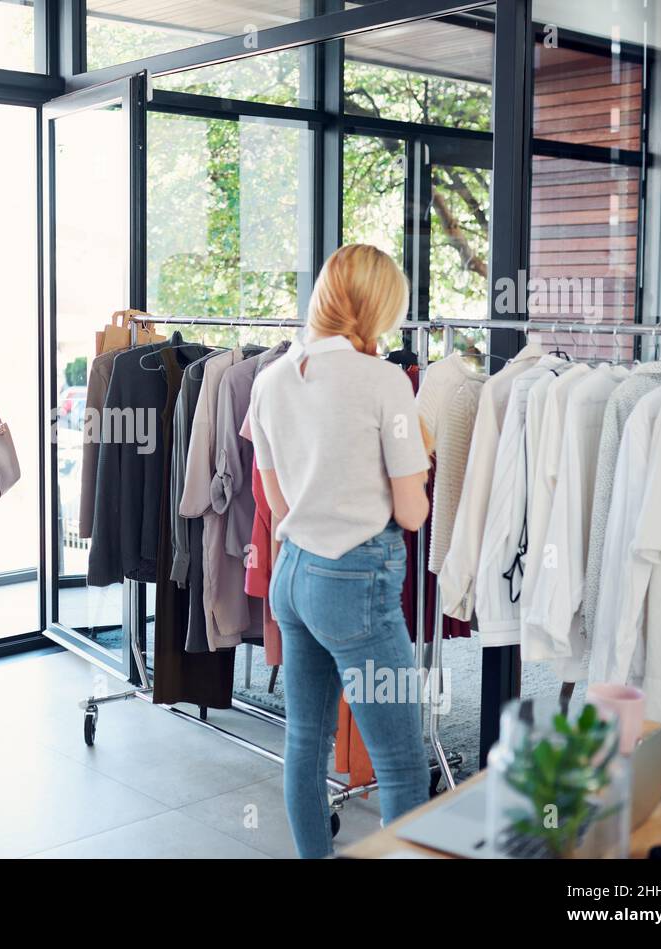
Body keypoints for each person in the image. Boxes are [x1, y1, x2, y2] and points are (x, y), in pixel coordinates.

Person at [248, 243, 432, 857]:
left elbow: (275, 501)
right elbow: (410, 512)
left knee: (304, 742)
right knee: (403, 764)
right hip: (357, 584)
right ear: (377, 306)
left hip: (293, 577)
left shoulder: (270, 380)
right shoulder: (384, 382)